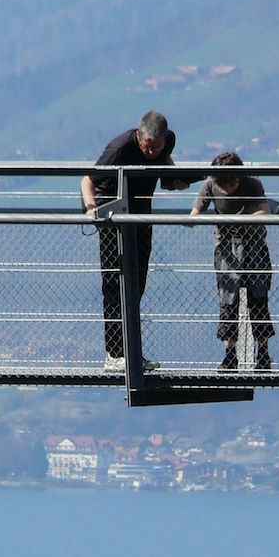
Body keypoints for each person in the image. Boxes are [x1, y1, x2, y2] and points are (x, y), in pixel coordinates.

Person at [81, 111, 193, 371]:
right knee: (114, 284)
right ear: (139, 136)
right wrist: (91, 208)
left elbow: (164, 167)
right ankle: (114, 353)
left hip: (141, 218)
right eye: (147, 146)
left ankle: (131, 353)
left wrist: (177, 181)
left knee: (136, 285)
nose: (152, 151)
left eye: (157, 146)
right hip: (113, 219)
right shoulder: (120, 148)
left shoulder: (167, 142)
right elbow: (88, 179)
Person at [189, 152, 275, 371]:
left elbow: (264, 211)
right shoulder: (211, 184)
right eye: (224, 184)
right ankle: (229, 354)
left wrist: (241, 221)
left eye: (233, 182)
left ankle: (263, 353)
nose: (228, 188)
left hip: (255, 247)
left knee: (258, 298)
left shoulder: (252, 183)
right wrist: (191, 220)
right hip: (227, 249)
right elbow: (196, 211)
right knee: (228, 301)